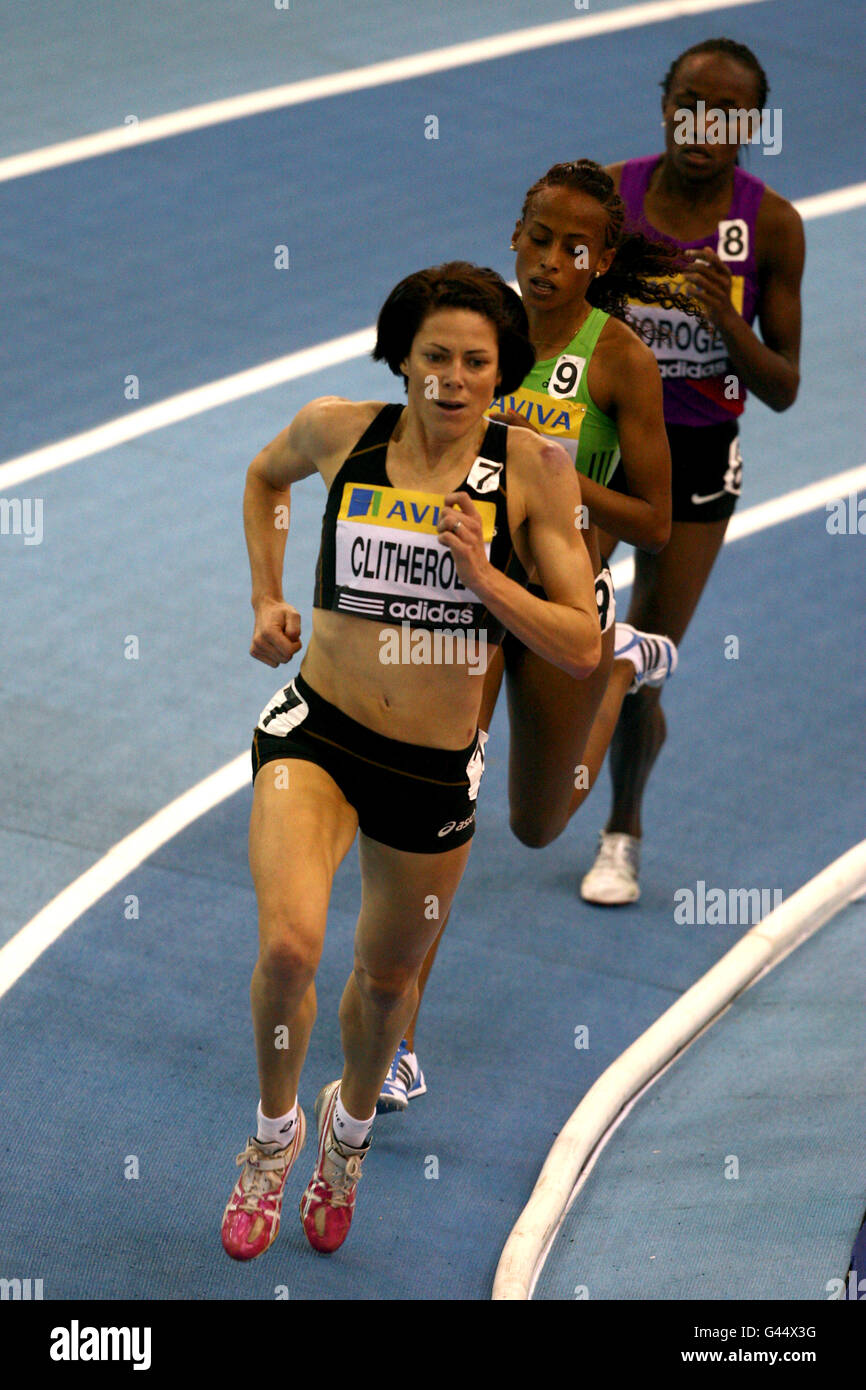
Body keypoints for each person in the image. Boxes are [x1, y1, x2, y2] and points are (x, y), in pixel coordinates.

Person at [219, 261, 602, 1259]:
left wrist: (483, 577)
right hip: (319, 730)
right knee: (290, 947)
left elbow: (579, 640)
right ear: (401, 356)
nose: (453, 376)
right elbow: (264, 478)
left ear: (502, 370)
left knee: (386, 989)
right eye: (434, 354)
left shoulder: (533, 470)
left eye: (476, 360)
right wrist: (266, 599)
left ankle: (345, 1134)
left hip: (429, 775)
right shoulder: (339, 430)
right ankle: (271, 1139)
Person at [379, 158, 695, 1113]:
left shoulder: (617, 358)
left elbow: (655, 519)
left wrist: (547, 473)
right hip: (467, 601)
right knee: (443, 807)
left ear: (600, 261)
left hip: (563, 605)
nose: (552, 259)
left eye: (575, 246)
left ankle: (618, 667)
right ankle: (397, 1041)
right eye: (538, 237)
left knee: (537, 822)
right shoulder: (479, 336)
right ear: (514, 235)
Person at [580, 37, 804, 905]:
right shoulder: (608, 197)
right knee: (534, 625)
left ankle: (622, 831)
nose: (702, 124)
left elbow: (783, 386)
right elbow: (550, 318)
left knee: (645, 659)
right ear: (666, 103)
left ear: (750, 123)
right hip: (600, 445)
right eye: (688, 102)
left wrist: (726, 325)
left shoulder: (772, 226)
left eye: (725, 111)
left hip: (700, 461)